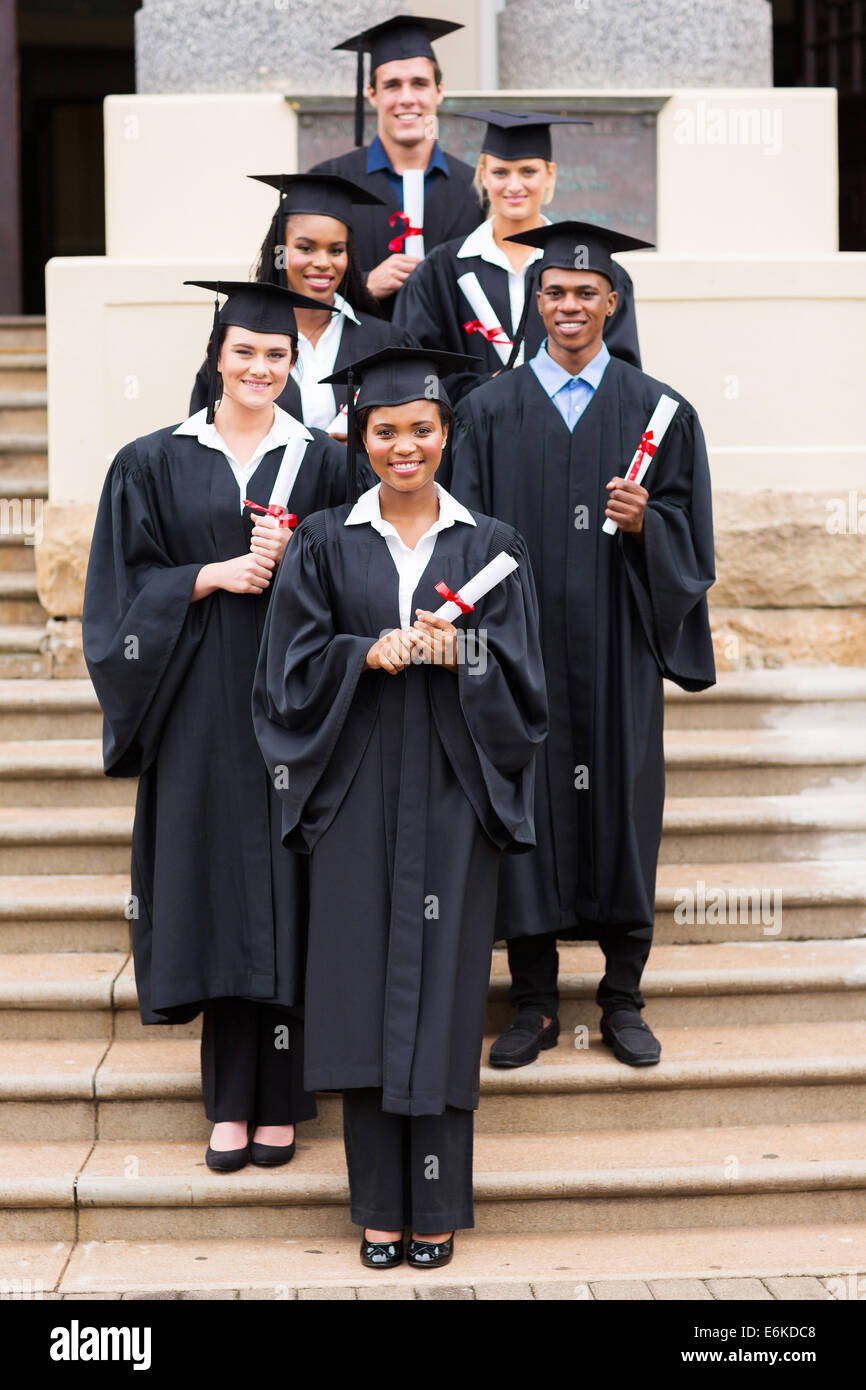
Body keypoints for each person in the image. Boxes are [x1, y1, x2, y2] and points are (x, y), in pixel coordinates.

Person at [252, 347, 547, 1268]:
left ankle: (437, 1208)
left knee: (447, 997)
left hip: (455, 796)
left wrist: (464, 657)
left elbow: (528, 683)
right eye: (386, 431)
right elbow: (284, 675)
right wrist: (360, 656)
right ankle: (379, 1210)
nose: (404, 445)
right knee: (358, 996)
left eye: (422, 429)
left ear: (446, 434)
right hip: (356, 789)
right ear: (361, 437)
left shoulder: (492, 547)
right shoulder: (324, 541)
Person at [83, 280, 368, 1174]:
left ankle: (282, 1098)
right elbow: (118, 597)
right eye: (244, 352)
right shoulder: (152, 460)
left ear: (295, 364)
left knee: (290, 889)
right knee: (214, 893)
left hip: (296, 708)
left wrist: (296, 566)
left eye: (277, 356)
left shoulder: (322, 462)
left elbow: (360, 579)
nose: (260, 369)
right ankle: (226, 1102)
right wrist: (209, 575)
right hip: (198, 705)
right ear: (216, 357)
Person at [449, 222, 716, 1071]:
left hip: (617, 651)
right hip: (519, 654)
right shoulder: (485, 412)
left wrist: (650, 528)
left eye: (586, 293)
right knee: (526, 813)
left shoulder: (660, 411)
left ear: (613, 302)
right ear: (538, 303)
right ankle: (532, 1002)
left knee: (623, 812)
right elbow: (463, 539)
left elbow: (695, 542)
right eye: (555, 292)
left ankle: (622, 999)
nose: (570, 304)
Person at [392, 110, 642, 413]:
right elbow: (415, 373)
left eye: (528, 172)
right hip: (471, 440)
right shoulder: (441, 270)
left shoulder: (595, 272)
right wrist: (487, 387)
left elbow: (622, 372)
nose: (513, 186)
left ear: (550, 174)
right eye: (500, 173)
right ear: (483, 175)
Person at [189, 173, 414, 433]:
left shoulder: (385, 342)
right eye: (306, 248)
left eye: (336, 250)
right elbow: (204, 440)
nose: (322, 262)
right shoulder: (243, 344)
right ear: (279, 253)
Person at [307, 16, 483, 316]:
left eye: (419, 84)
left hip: (452, 360)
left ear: (439, 91)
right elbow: (289, 278)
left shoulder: (476, 190)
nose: (406, 98)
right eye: (392, 85)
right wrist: (362, 286)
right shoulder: (327, 184)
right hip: (355, 358)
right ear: (372, 94)